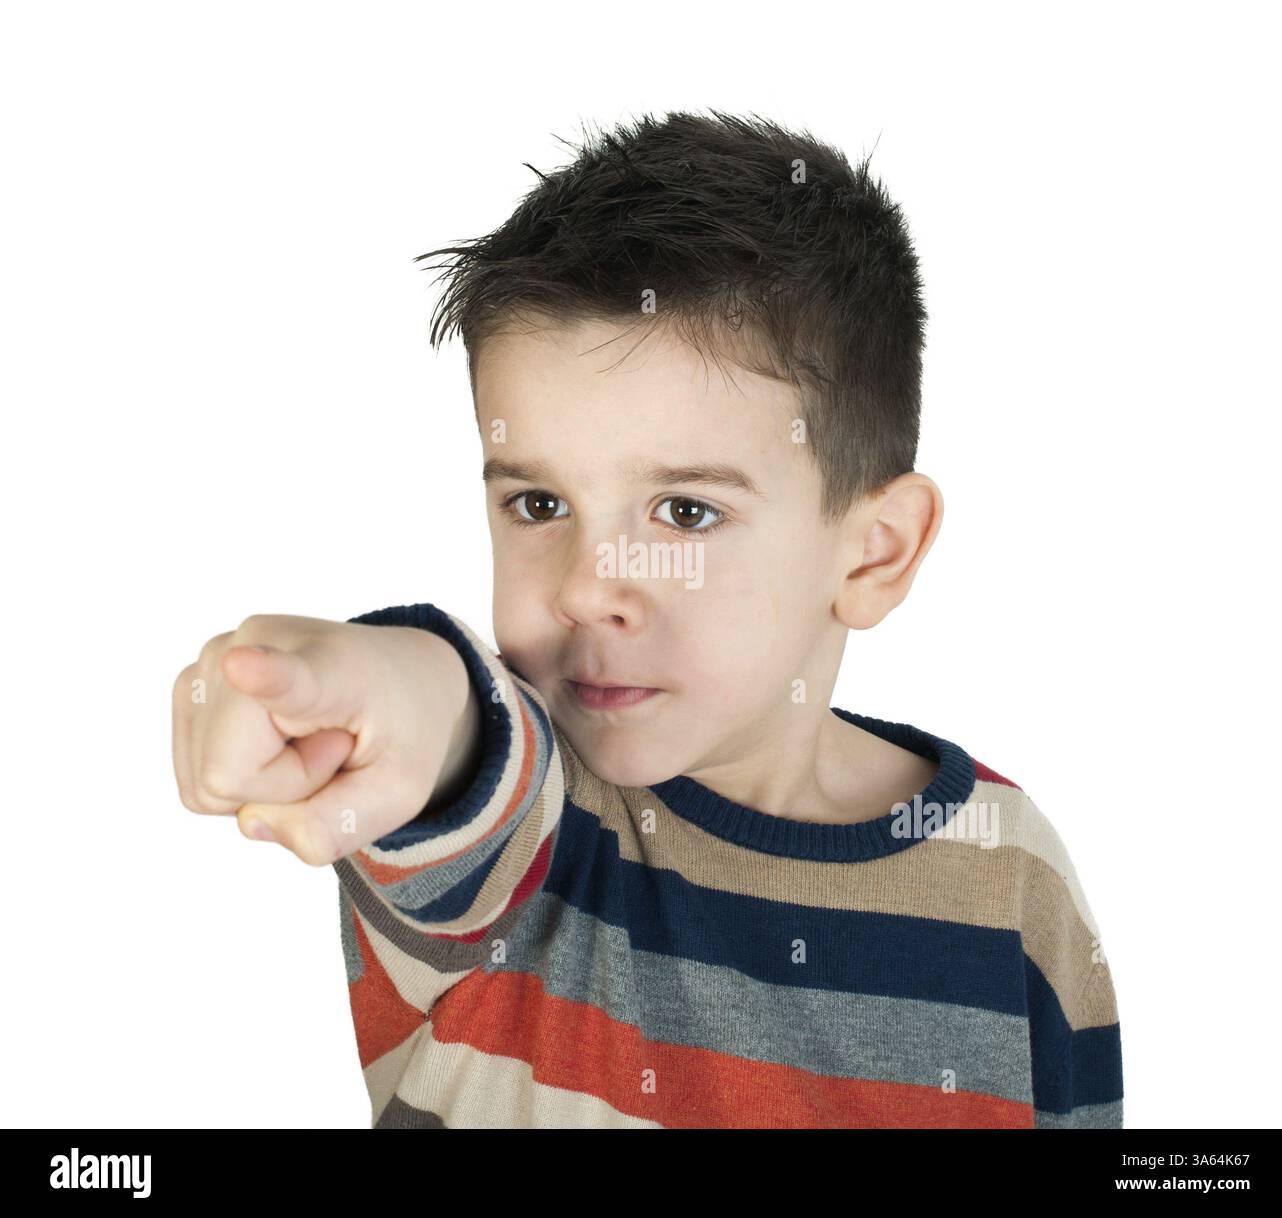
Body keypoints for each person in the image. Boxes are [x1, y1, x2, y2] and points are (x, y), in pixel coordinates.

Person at [171, 109, 1122, 1128]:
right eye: (538, 505)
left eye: (684, 511)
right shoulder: (530, 833)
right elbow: (446, 723)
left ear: (874, 550)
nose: (585, 587)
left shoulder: (1008, 871)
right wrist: (357, 686)